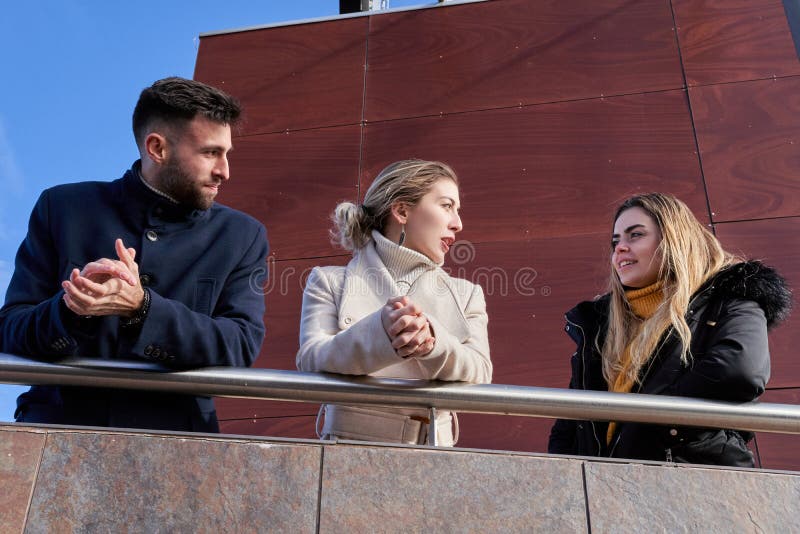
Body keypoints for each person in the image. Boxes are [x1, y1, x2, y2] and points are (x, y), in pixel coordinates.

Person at [0, 77, 269, 432]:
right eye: (210, 153)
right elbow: (9, 331)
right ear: (157, 148)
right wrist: (70, 311)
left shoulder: (243, 236)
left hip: (178, 444)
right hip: (56, 431)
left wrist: (142, 309)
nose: (224, 171)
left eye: (226, 154)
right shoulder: (61, 207)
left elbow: (239, 347)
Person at [548, 193, 791, 466]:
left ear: (675, 239)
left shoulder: (728, 297)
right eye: (615, 241)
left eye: (635, 235)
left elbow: (738, 370)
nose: (620, 249)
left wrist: (647, 420)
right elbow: (571, 425)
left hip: (699, 481)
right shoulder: (603, 328)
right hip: (610, 489)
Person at [296, 159, 492, 446]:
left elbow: (480, 373)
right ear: (402, 211)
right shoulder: (328, 282)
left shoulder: (467, 294)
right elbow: (311, 359)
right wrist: (380, 333)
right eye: (447, 206)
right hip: (347, 450)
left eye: (457, 211)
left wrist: (432, 342)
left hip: (435, 458)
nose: (458, 224)